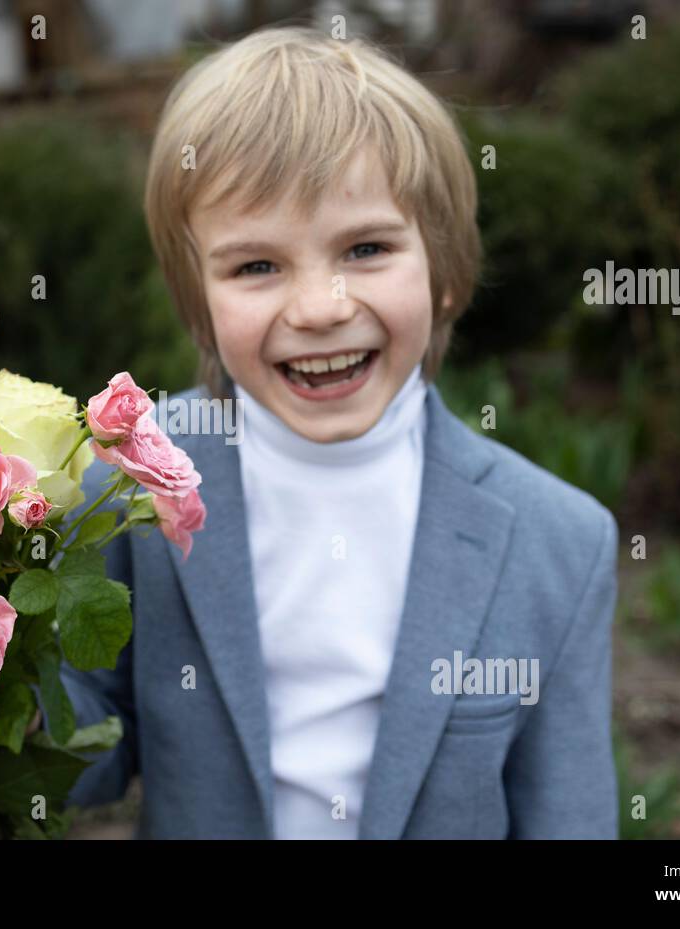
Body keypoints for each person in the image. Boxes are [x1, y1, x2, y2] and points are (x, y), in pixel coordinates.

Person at [58, 24, 620, 839]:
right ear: (200, 305)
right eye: (256, 266)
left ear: (446, 275)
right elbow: (92, 751)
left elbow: (567, 816)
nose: (320, 307)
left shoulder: (558, 543)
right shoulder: (128, 485)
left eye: (365, 248)